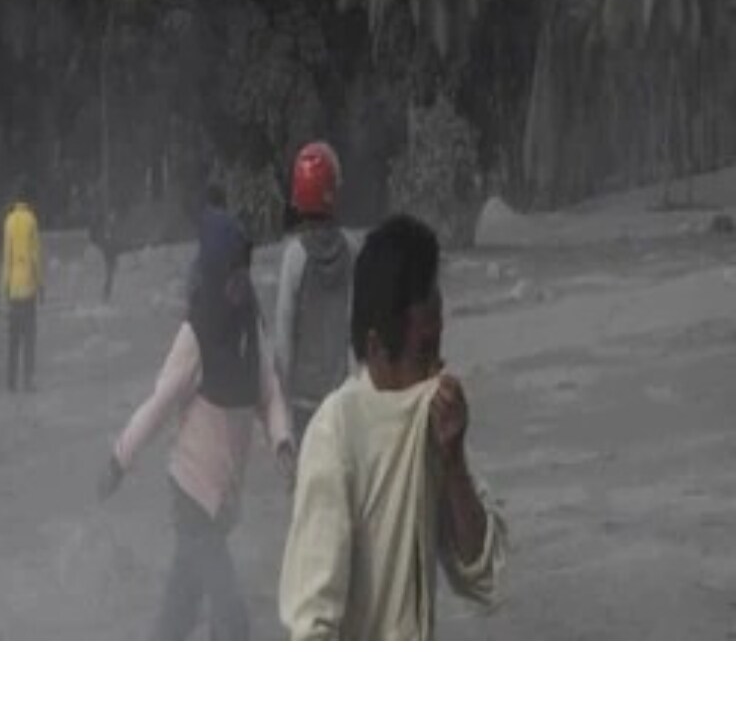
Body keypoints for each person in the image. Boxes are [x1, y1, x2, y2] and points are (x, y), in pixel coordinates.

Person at [278, 213, 507, 640]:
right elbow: (312, 622)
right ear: (376, 349)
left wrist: (455, 461)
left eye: (439, 349)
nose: (437, 372)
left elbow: (481, 574)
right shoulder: (336, 435)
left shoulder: (432, 428)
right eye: (424, 352)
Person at [99, 209, 294, 639]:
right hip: (191, 496)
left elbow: (268, 391)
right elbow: (158, 406)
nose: (241, 281)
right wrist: (119, 459)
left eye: (244, 271)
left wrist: (282, 441)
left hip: (224, 499)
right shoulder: (196, 335)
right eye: (232, 273)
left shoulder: (249, 326)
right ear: (214, 273)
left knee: (179, 611)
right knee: (231, 620)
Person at [274, 143, 355, 446]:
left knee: (305, 485)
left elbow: (283, 337)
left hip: (303, 401)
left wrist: (281, 400)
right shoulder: (350, 249)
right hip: (340, 396)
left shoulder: (295, 256)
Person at [0, 180, 43, 392]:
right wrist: (41, 284)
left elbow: (6, 257)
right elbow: (35, 256)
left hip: (13, 289)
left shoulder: (8, 221)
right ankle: (28, 380)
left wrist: (4, 287)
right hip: (28, 287)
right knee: (29, 337)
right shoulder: (31, 220)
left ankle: (10, 380)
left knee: (13, 337)